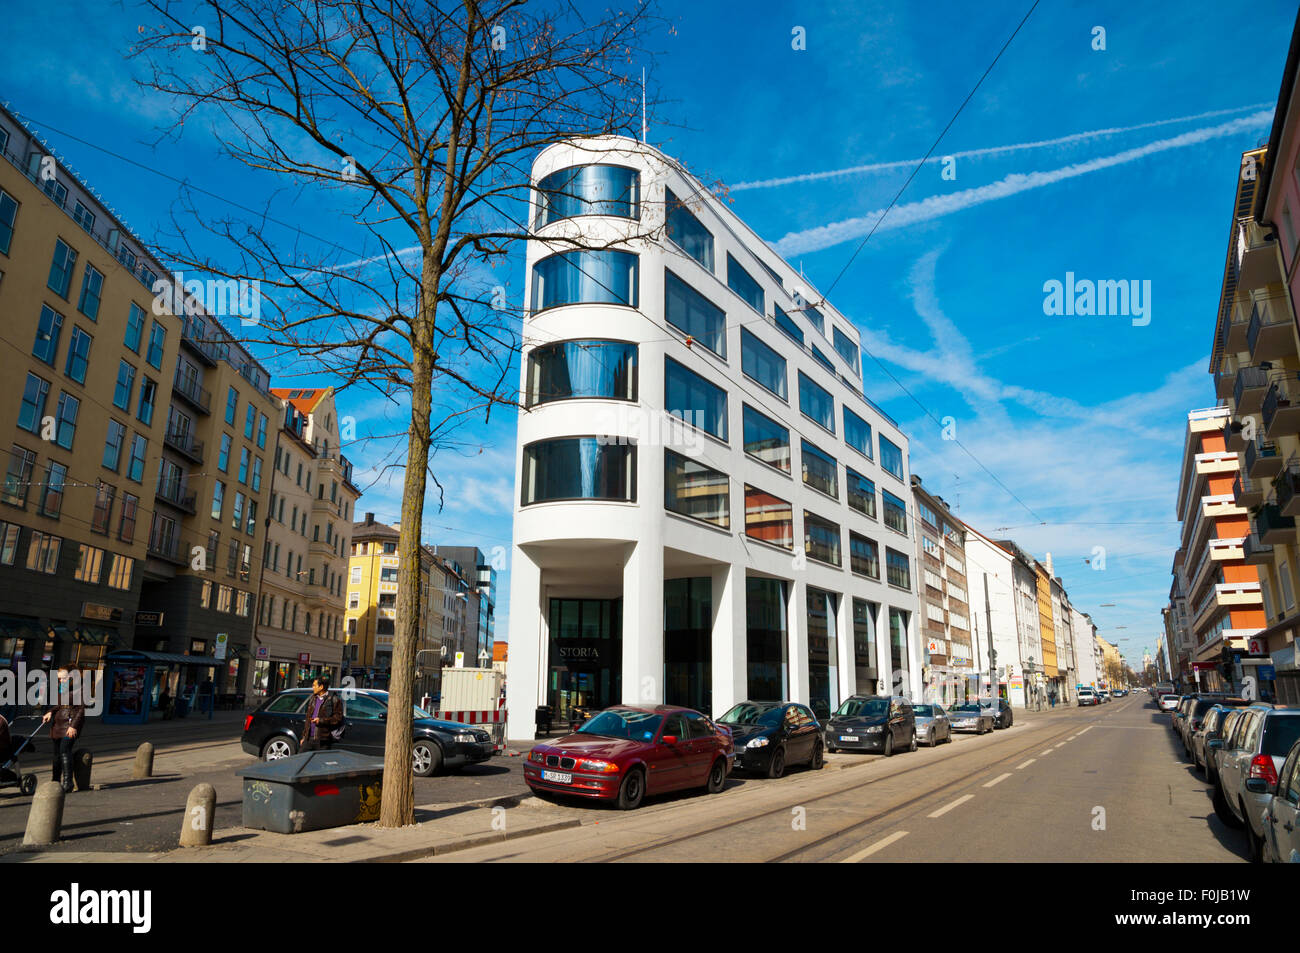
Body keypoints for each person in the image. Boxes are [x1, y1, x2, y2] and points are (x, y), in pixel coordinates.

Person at [41, 668, 86, 793]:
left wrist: (74, 726)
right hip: (58, 724)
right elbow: (59, 705)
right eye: (59, 678)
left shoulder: (79, 688)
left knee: (64, 751)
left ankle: (68, 783)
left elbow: (81, 709)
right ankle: (55, 781)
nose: (61, 680)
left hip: (70, 724)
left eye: (63, 678)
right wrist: (50, 711)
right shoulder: (62, 688)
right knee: (56, 755)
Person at [301, 677, 343, 751]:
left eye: (314, 685)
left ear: (321, 687)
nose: (312, 687)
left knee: (320, 762)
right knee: (301, 760)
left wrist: (321, 720)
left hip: (323, 740)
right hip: (308, 739)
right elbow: (308, 718)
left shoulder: (334, 699)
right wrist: (304, 737)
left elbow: (337, 718)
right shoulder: (313, 698)